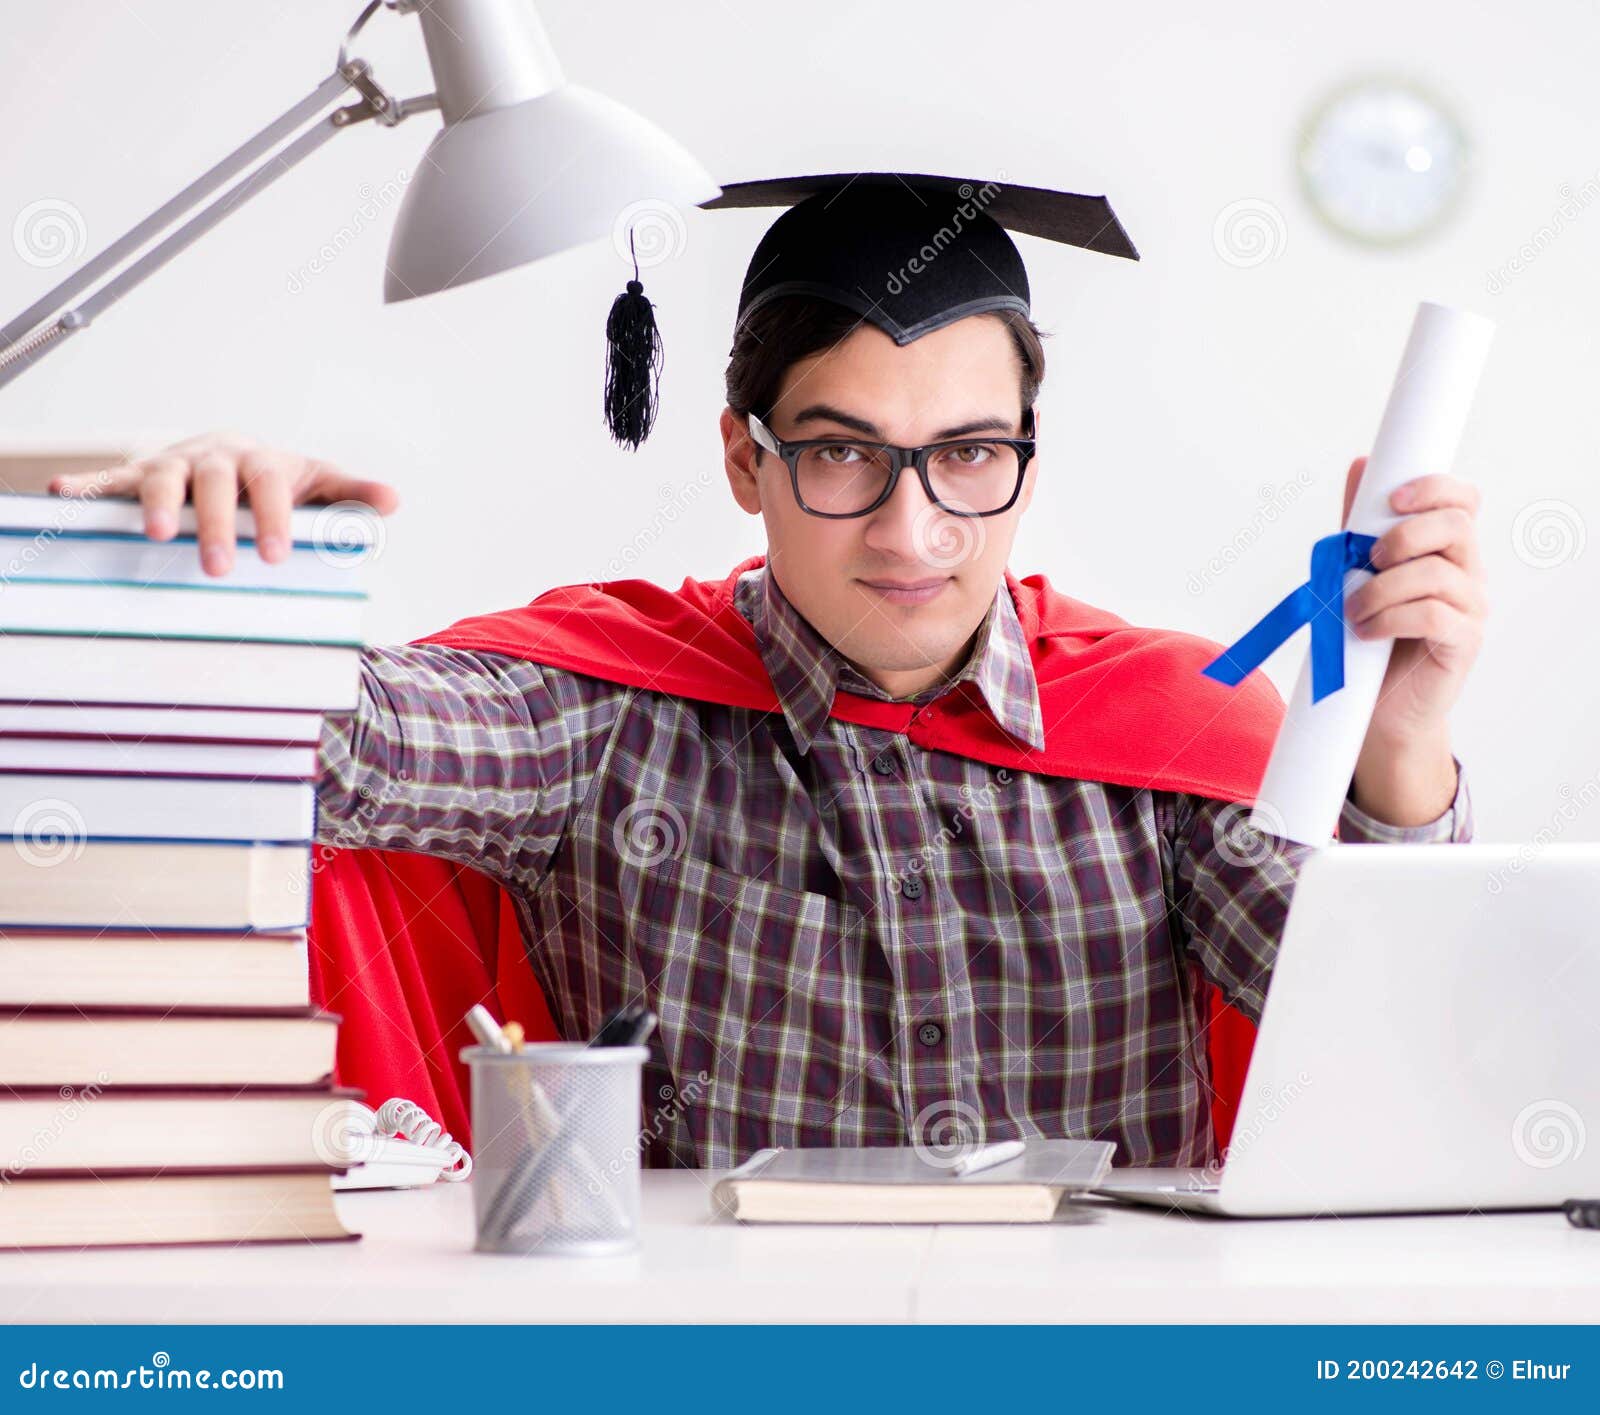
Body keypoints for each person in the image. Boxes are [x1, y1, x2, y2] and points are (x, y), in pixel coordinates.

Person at [49, 175, 1483, 1170]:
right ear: (745, 457)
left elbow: (1396, 1054)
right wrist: (215, 568)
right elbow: (299, 745)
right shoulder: (597, 722)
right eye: (842, 452)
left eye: (971, 456)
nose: (914, 532)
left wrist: (1403, 756)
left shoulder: (1164, 741)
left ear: (1027, 459)